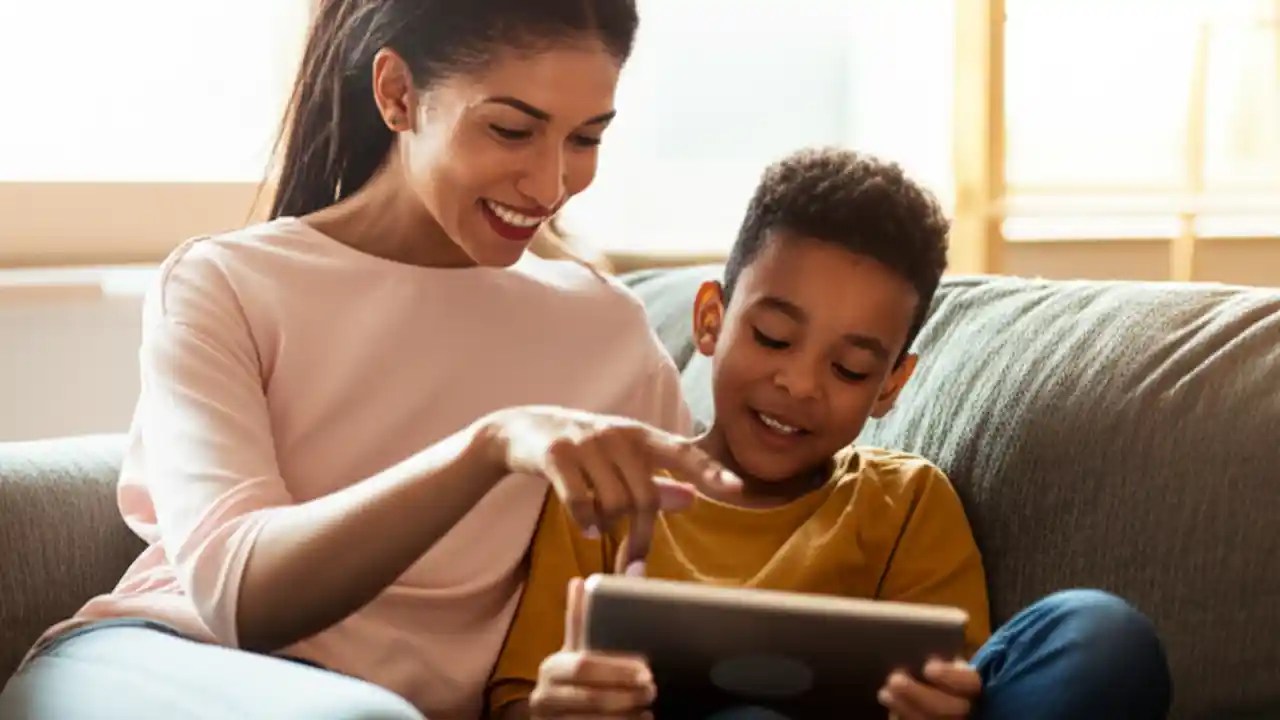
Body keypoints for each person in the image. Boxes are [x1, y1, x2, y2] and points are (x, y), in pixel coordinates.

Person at [0, 2, 744, 719]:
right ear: (398, 94)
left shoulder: (604, 327)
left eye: (585, 140)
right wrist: (491, 445)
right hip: (164, 663)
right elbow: (242, 598)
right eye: (512, 129)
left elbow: (672, 583)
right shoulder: (225, 281)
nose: (552, 186)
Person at [486, 148, 1173, 720]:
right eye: (774, 337)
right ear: (711, 321)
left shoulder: (904, 504)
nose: (802, 384)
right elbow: (516, 701)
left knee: (1099, 635)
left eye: (848, 368)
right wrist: (558, 706)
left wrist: (944, 703)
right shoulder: (610, 488)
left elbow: (956, 681)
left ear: (890, 387)